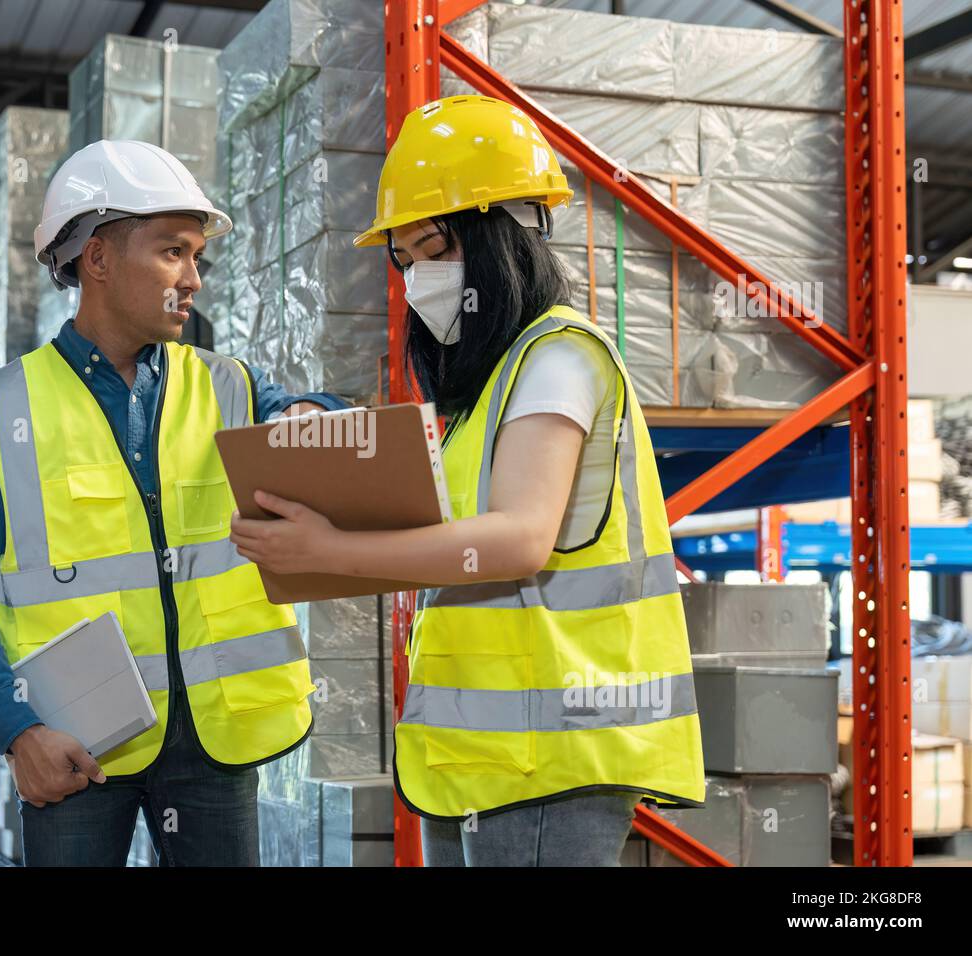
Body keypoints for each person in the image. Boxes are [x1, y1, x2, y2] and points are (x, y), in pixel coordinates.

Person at [229, 95, 705, 867]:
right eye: (406, 259)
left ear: (501, 236)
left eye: (435, 248)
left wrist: (333, 547)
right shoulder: (483, 396)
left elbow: (517, 541)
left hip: (554, 759)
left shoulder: (556, 358)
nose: (420, 278)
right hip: (486, 759)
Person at [0, 140, 348, 866]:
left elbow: (313, 416)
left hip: (217, 740)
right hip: (74, 744)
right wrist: (17, 731)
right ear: (99, 258)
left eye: (198, 258)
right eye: (174, 252)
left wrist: (312, 412)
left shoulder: (227, 384)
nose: (194, 279)